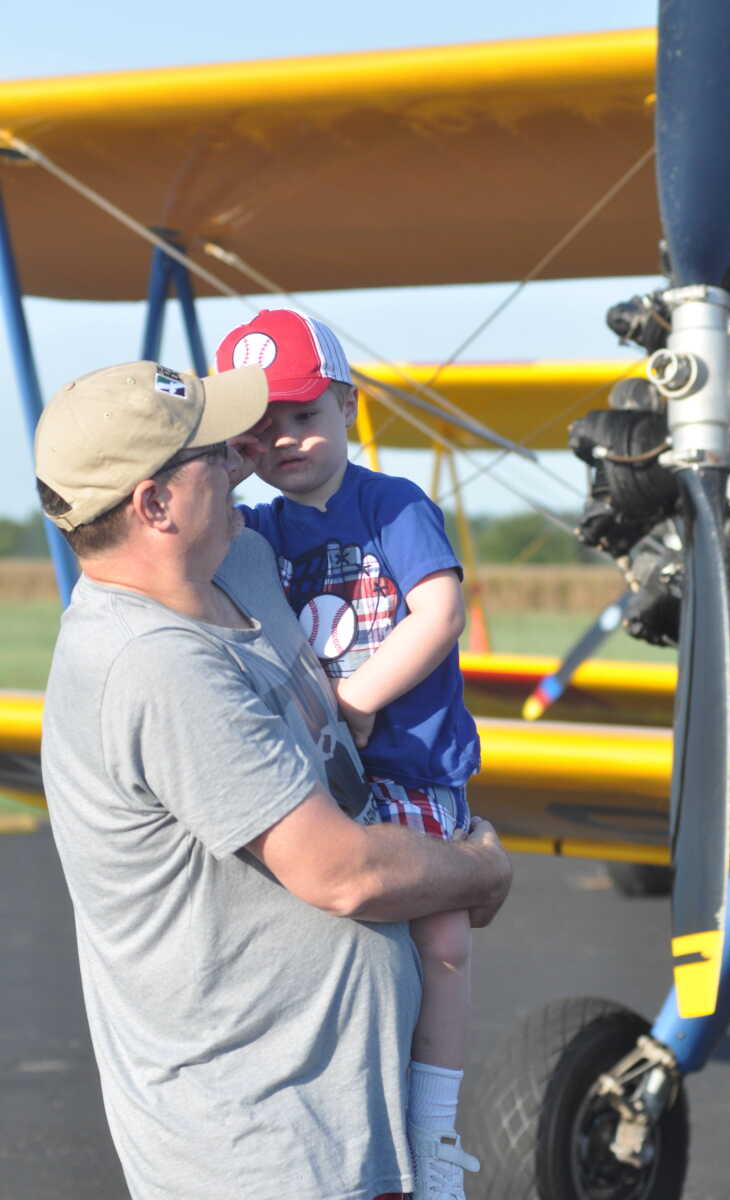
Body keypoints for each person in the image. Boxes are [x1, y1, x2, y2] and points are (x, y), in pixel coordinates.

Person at [35, 359, 512, 1200]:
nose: (240, 455)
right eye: (215, 451)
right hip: (264, 1149)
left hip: (349, 1118)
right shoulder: (151, 665)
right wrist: (479, 870)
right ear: (153, 506)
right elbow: (341, 874)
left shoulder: (238, 565)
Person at [215, 310, 482, 1200]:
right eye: (257, 429)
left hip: (405, 766)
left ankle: (434, 1134)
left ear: (347, 407)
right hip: (319, 781)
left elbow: (438, 615)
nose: (282, 439)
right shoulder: (250, 529)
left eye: (301, 415)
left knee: (441, 938)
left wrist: (359, 700)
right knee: (341, 956)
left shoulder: (392, 504)